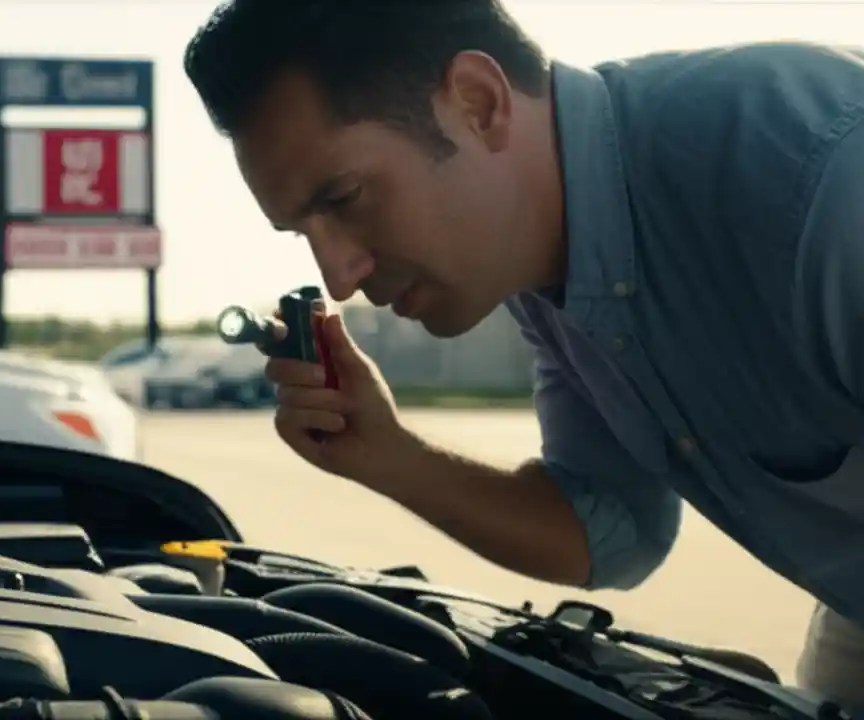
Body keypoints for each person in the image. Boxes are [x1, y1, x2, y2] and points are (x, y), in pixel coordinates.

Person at [182, 0, 864, 711]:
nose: (339, 275)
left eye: (346, 197)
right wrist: (388, 456)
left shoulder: (819, 172)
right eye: (302, 233)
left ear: (478, 104)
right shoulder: (545, 262)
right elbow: (612, 535)